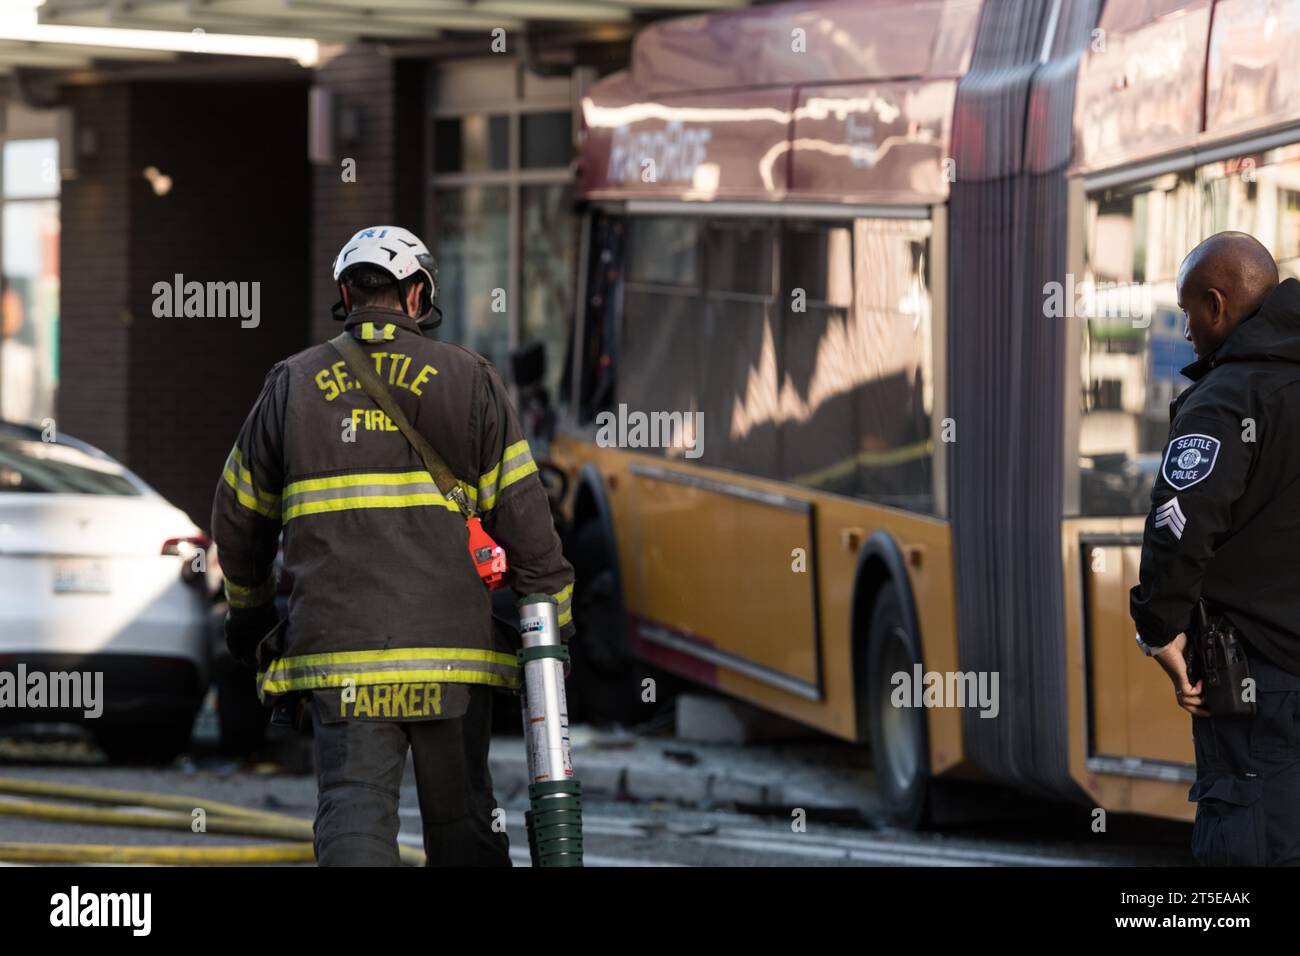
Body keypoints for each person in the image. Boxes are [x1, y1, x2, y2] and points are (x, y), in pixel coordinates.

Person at [211, 225, 575, 866]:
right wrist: (553, 636)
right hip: (453, 660)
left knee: (353, 819)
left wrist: (251, 615)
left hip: (341, 657)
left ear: (346, 294)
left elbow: (239, 518)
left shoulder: (292, 385)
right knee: (464, 824)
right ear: (416, 296)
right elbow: (530, 531)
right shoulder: (471, 380)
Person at [1131, 230, 1300, 866]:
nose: (1187, 331)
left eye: (1187, 313)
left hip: (1258, 679)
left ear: (1217, 304)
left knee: (1249, 840)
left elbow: (1179, 524)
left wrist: (1160, 629)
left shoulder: (1227, 398)